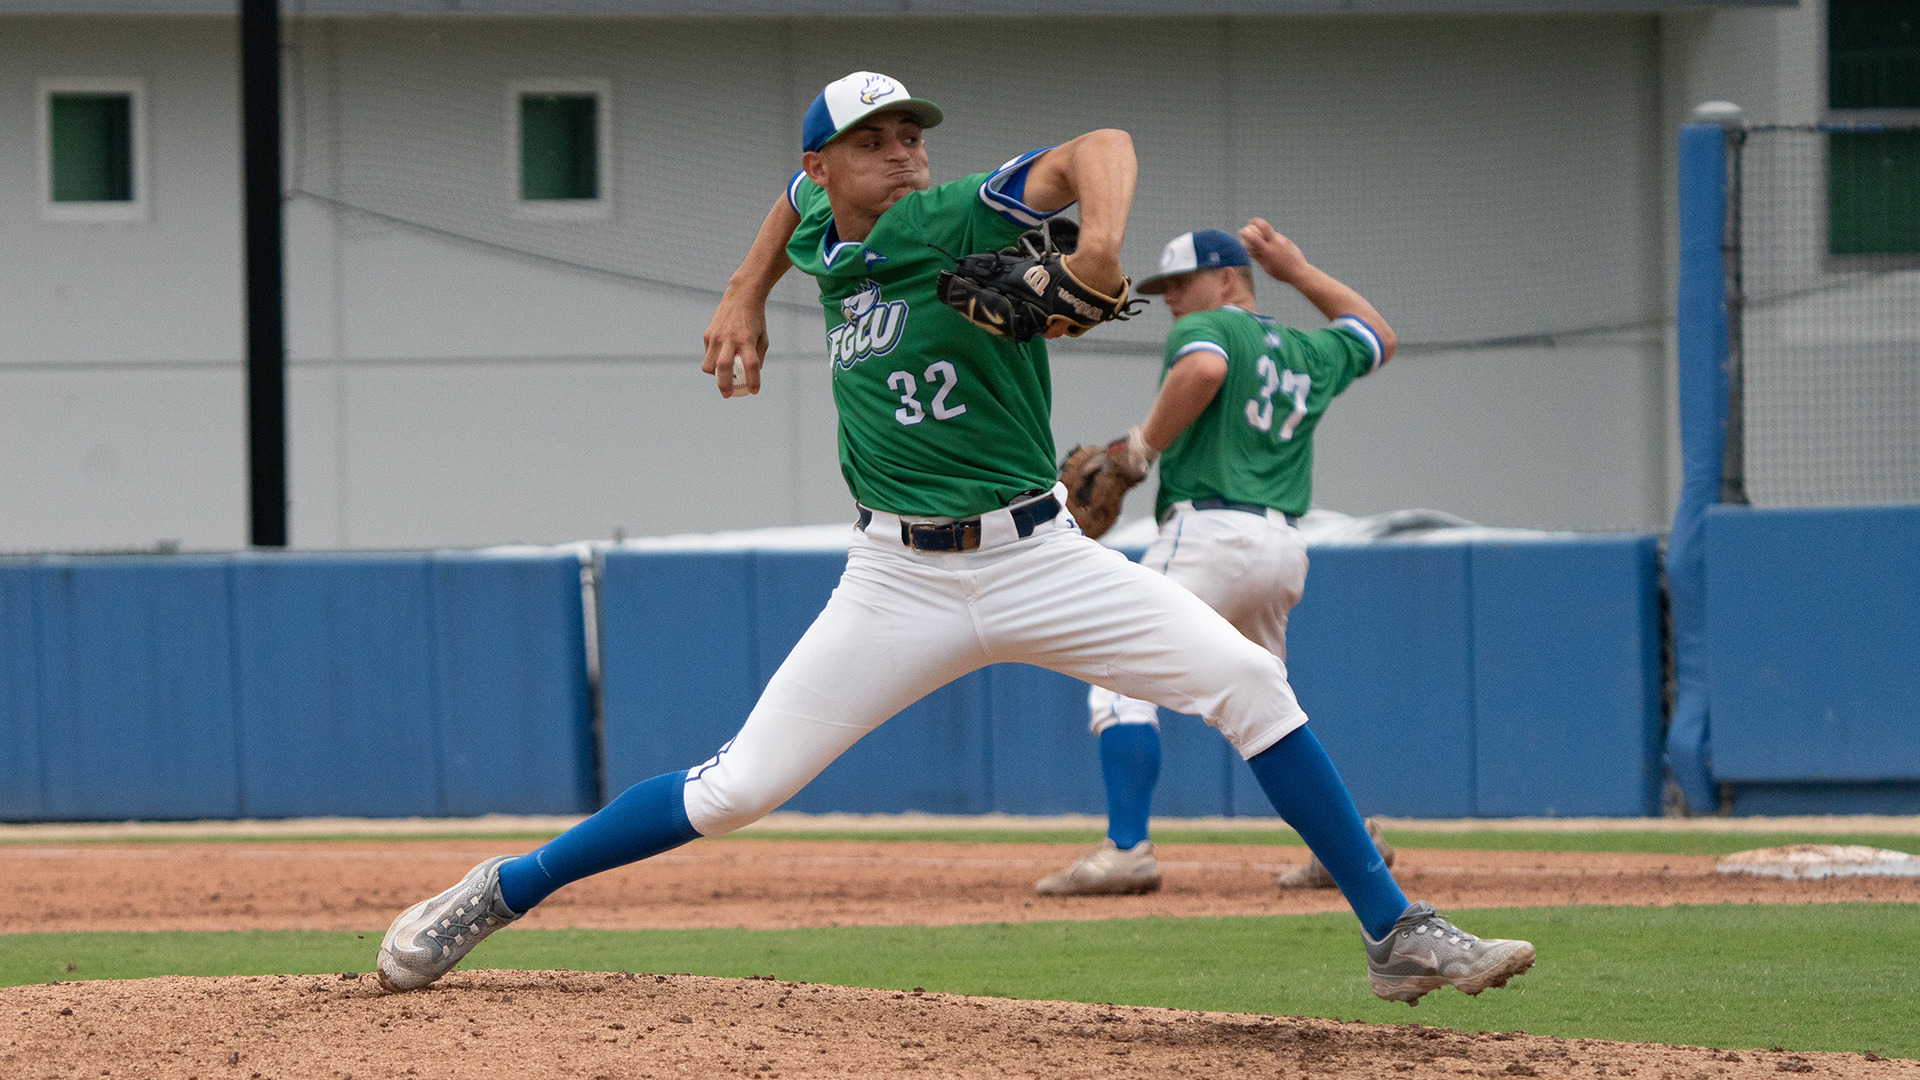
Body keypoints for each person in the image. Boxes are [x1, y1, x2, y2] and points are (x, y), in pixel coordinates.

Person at [374, 71, 1534, 1007]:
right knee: (733, 791)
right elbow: (790, 202)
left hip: (1040, 557)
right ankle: (499, 890)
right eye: (873, 141)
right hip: (895, 581)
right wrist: (742, 288)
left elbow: (1103, 144)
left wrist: (1098, 249)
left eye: (911, 136)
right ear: (828, 166)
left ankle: (1396, 932)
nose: (905, 154)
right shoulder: (824, 224)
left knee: (1247, 682)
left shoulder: (959, 210)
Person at [1034, 225, 1398, 899]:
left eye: (1182, 282)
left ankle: (1126, 850)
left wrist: (1141, 448)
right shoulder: (1308, 350)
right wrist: (1300, 270)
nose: (1171, 298)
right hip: (1281, 546)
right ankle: (1349, 847)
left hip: (1207, 534)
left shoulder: (1208, 328)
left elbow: (1203, 370)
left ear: (1227, 279)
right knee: (1266, 708)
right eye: (1166, 287)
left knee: (1117, 678)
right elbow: (1378, 335)